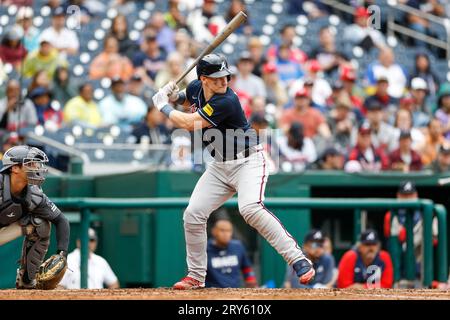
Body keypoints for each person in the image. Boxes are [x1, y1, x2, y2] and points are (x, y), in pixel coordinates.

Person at [152, 53, 316, 289]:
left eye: (226, 77)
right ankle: (196, 276)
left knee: (249, 208)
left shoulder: (227, 100)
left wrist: (162, 105)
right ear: (204, 79)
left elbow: (188, 123)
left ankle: (297, 259)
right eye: (217, 78)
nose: (224, 82)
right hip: (219, 166)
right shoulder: (197, 86)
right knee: (193, 214)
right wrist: (172, 93)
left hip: (249, 161)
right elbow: (187, 98)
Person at [0, 145, 70, 289]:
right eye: (30, 163)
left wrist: (62, 254)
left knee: (41, 224)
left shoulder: (35, 194)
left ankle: (26, 280)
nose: (36, 167)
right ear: (14, 168)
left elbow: (61, 220)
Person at [205, 218, 257, 288]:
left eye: (228, 231)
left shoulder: (238, 246)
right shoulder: (205, 249)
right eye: (222, 230)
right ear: (214, 231)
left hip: (234, 291)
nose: (226, 234)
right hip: (211, 292)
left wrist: (251, 279)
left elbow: (246, 267)